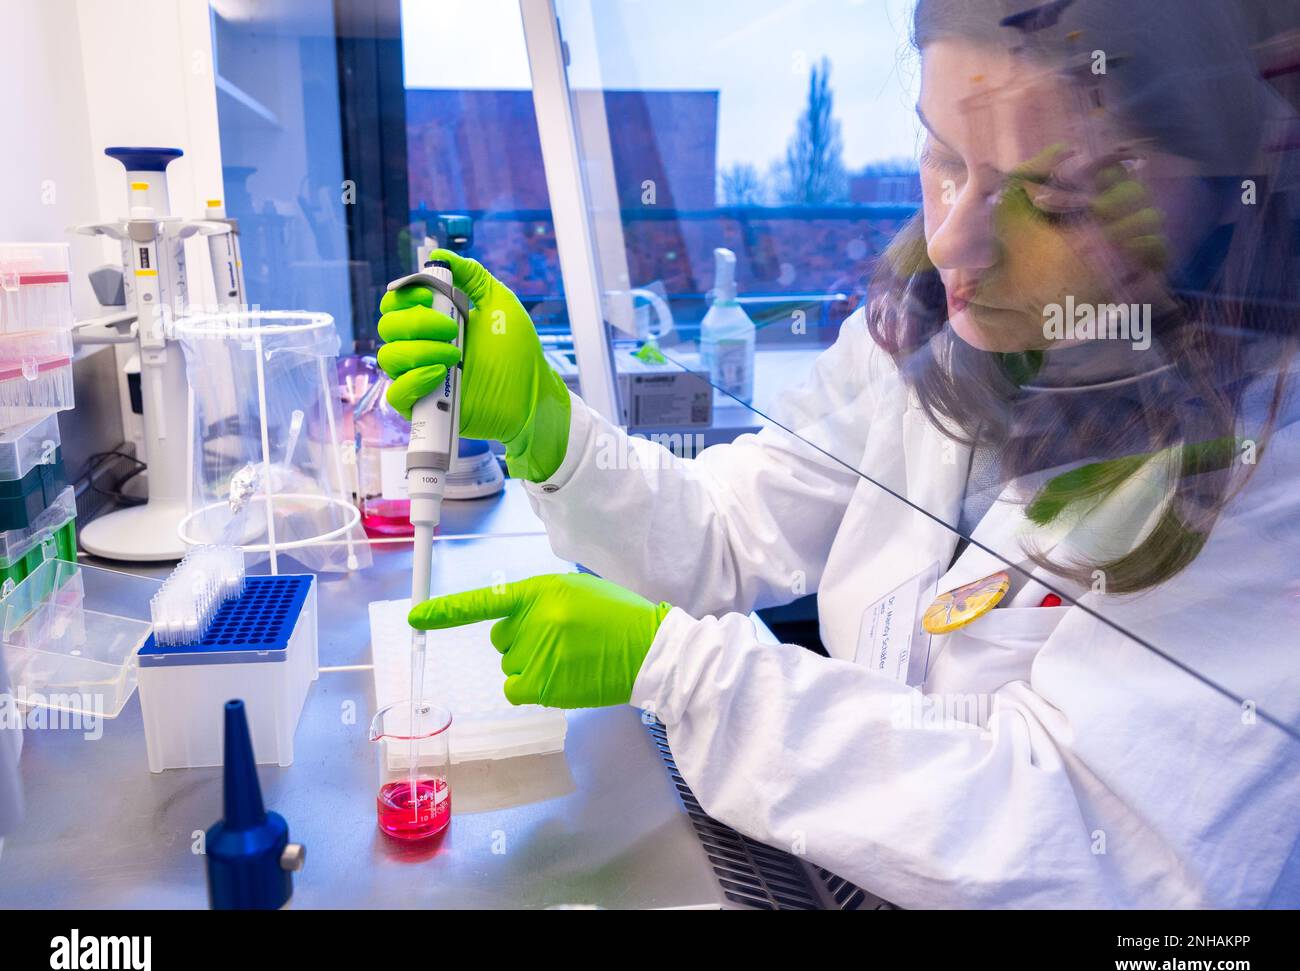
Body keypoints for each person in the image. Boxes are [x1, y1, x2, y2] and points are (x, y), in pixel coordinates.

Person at [376, 0, 1300, 907]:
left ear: (1231, 192)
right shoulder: (922, 330)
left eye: (1052, 200)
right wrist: (550, 431)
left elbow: (1081, 836)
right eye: (942, 157)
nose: (952, 241)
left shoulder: (1268, 472)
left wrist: (684, 674)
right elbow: (731, 532)